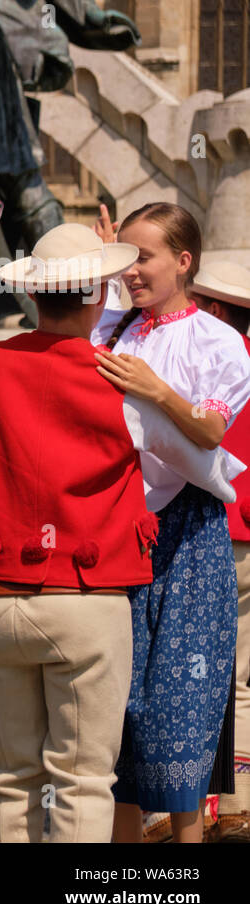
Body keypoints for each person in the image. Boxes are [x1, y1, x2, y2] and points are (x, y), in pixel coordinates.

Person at [0, 221, 242, 841]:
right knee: (83, 779)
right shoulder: (122, 379)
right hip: (89, 600)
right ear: (96, 296)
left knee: (10, 775)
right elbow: (203, 461)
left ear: (33, 296)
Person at [86, 203, 250, 843]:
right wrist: (104, 267)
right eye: (125, 259)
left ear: (183, 262)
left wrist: (155, 390)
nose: (132, 271)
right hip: (120, 521)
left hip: (188, 533)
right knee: (119, 704)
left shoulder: (218, 340)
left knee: (181, 701)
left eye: (142, 257)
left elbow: (211, 428)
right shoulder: (119, 324)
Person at [177, 258, 250, 842]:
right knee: (243, 676)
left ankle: (190, 806)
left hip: (215, 534)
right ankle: (238, 802)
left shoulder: (212, 366)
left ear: (220, 312)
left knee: (193, 673)